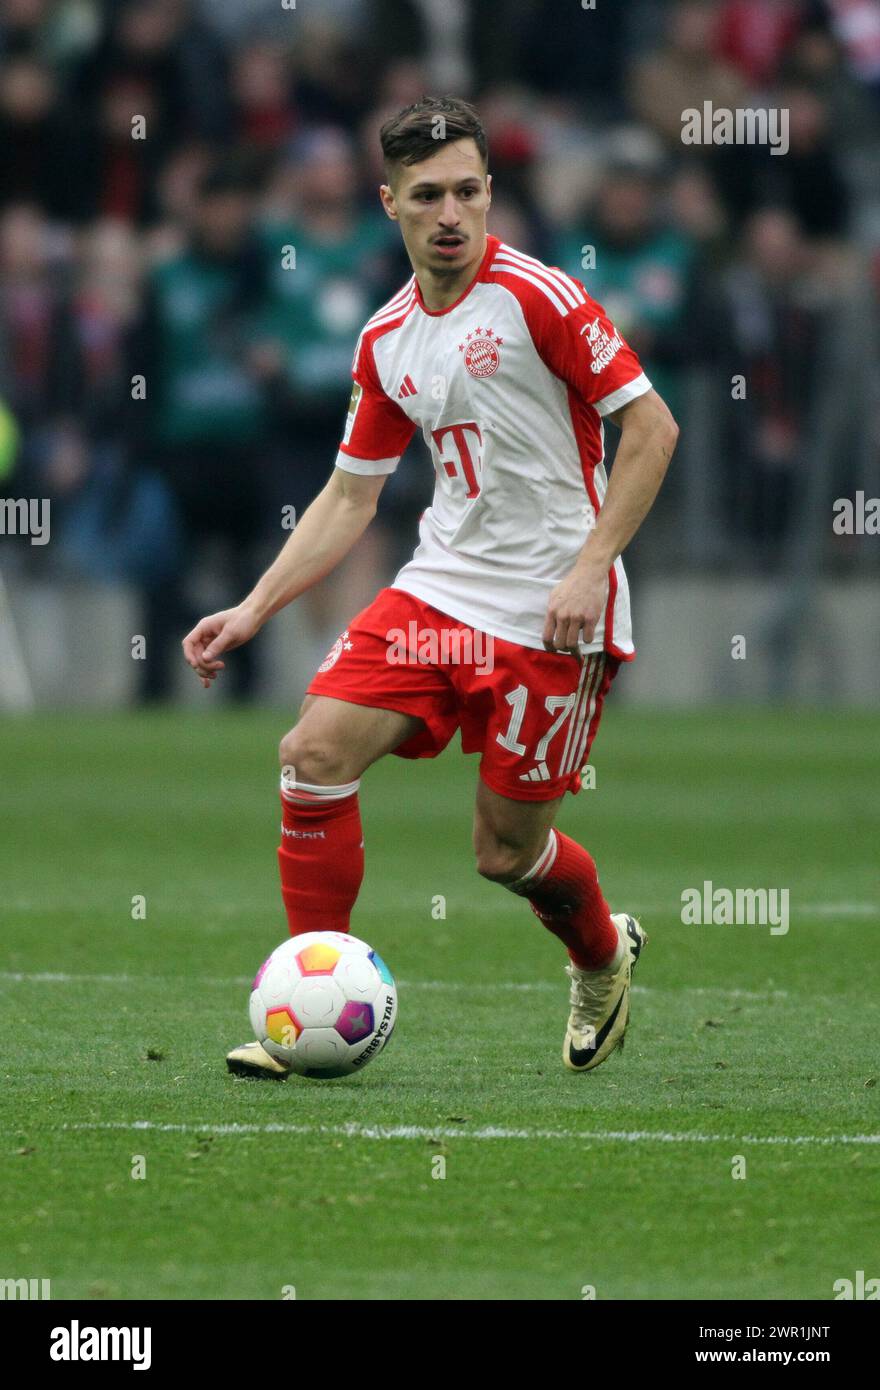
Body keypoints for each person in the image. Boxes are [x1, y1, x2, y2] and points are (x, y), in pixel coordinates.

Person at [182, 97, 679, 1078]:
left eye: (465, 191)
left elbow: (653, 430)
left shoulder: (541, 297)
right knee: (311, 750)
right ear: (391, 204)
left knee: (504, 853)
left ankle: (600, 954)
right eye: (426, 196)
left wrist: (588, 568)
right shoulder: (386, 338)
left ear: (489, 193)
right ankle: (300, 1001)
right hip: (441, 592)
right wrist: (252, 606)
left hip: (553, 608)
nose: (450, 213)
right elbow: (347, 496)